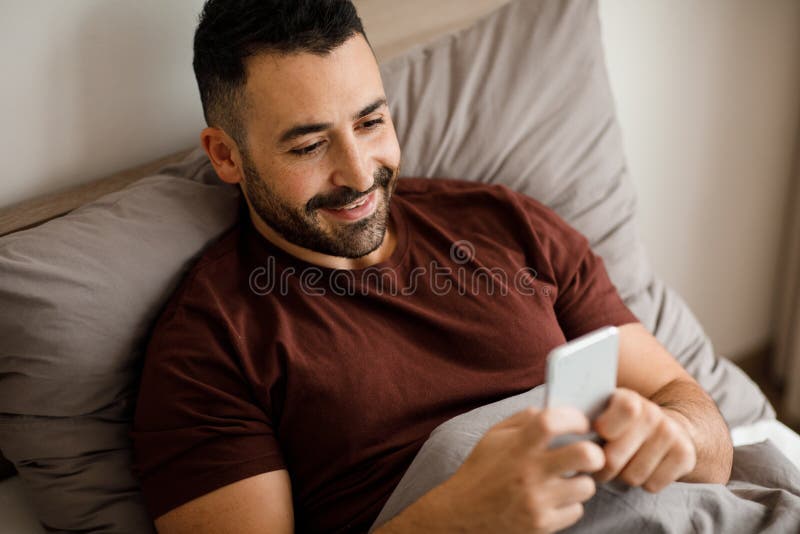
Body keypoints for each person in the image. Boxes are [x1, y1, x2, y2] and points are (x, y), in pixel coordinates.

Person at [129, 1, 733, 532]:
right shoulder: (210, 346)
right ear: (227, 156)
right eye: (310, 146)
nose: (360, 173)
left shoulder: (509, 225)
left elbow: (704, 429)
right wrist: (458, 521)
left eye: (371, 121)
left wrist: (671, 435)